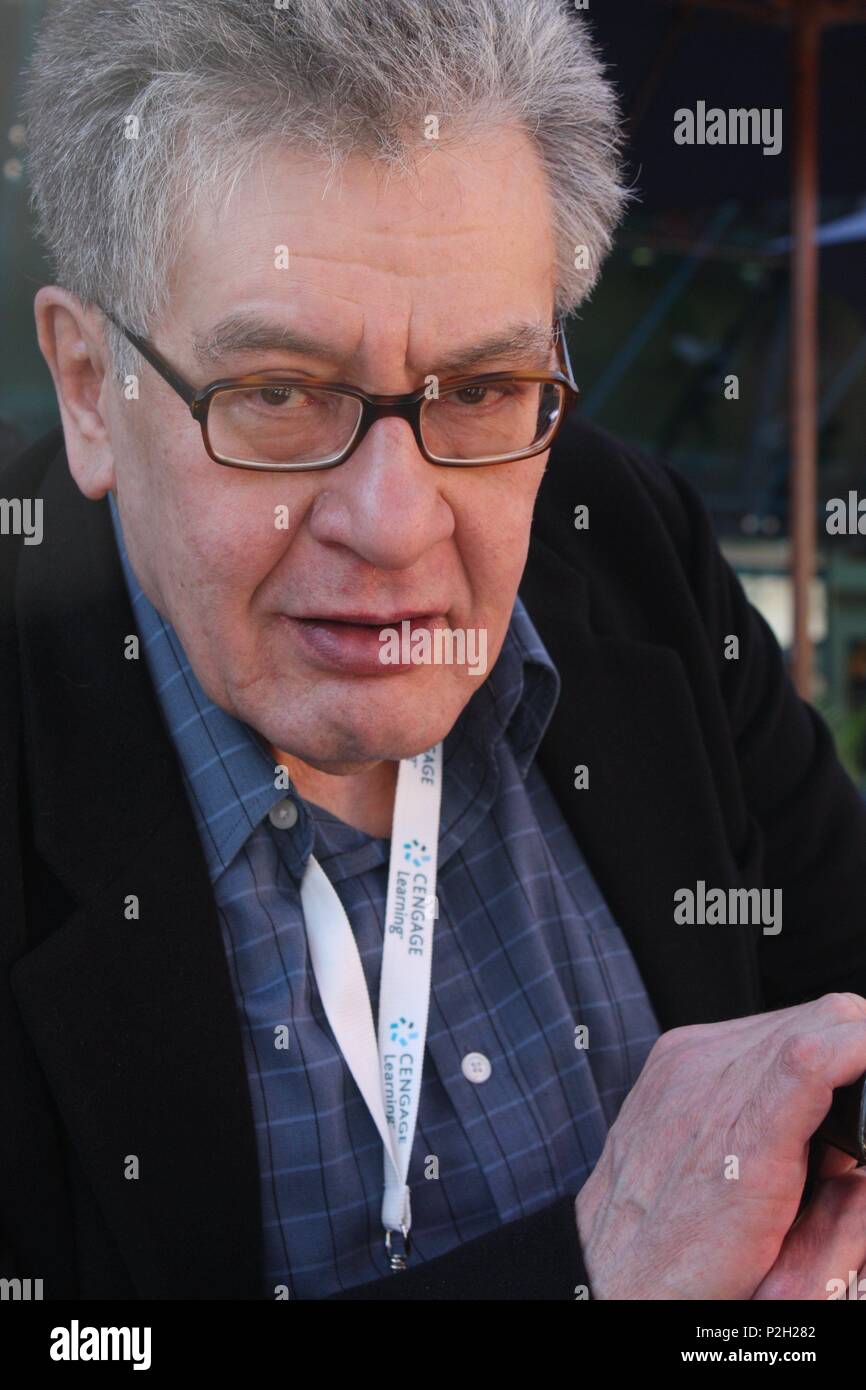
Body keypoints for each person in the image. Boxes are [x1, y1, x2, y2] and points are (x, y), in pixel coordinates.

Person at [3, 0, 866, 1303]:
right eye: (278, 395)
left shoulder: (625, 535)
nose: (396, 523)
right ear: (87, 388)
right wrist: (594, 1269)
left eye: (478, 390)